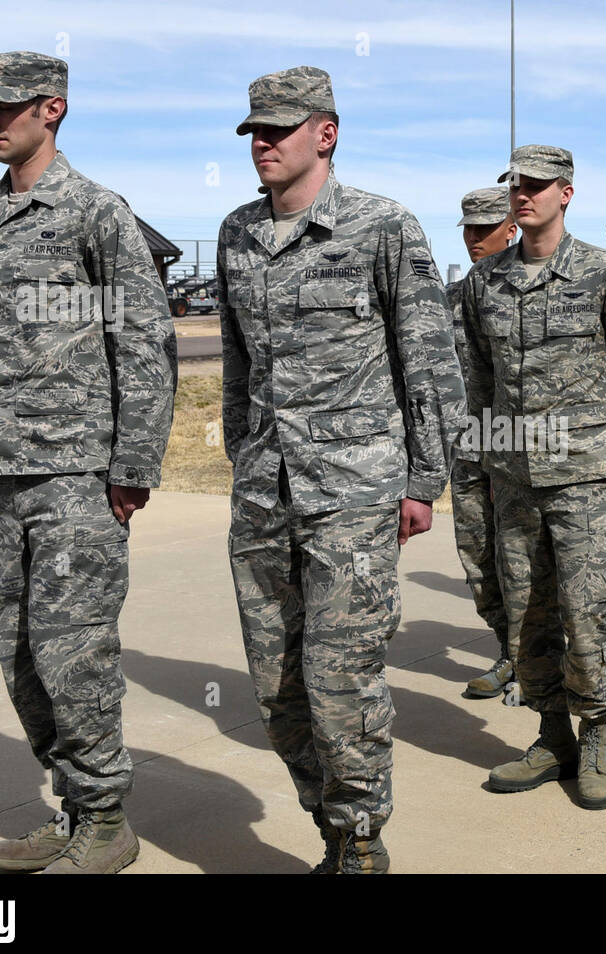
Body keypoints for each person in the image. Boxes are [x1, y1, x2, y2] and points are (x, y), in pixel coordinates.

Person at [218, 67, 466, 871]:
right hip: (263, 494)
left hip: (355, 495)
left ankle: (361, 839)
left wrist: (424, 479)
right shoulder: (236, 234)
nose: (261, 143)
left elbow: (429, 363)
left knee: (341, 678)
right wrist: (241, 454)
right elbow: (235, 366)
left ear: (324, 133)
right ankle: (327, 826)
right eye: (253, 130)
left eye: (277, 129)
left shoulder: (381, 227)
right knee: (277, 686)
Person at [0, 51, 177, 874]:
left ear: (52, 110)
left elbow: (146, 343)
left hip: (77, 477)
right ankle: (74, 804)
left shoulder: (96, 213)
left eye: (7, 107)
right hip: (3, 472)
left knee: (73, 650)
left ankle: (108, 819)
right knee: (17, 650)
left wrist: (132, 465)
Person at [462, 144, 606, 810]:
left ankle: (595, 730)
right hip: (514, 477)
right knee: (527, 611)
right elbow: (479, 379)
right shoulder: (484, 283)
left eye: (537, 186)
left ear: (566, 192)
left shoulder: (604, 276)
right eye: (515, 185)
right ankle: (551, 734)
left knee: (586, 608)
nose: (523, 195)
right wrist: (489, 461)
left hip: (587, 475)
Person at [447, 187, 519, 699]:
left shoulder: (527, 295)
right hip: (465, 449)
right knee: (478, 557)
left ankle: (534, 653)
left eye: (486, 227)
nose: (475, 237)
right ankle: (507, 649)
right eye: (469, 228)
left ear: (510, 229)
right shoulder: (451, 300)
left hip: (515, 453)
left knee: (522, 559)